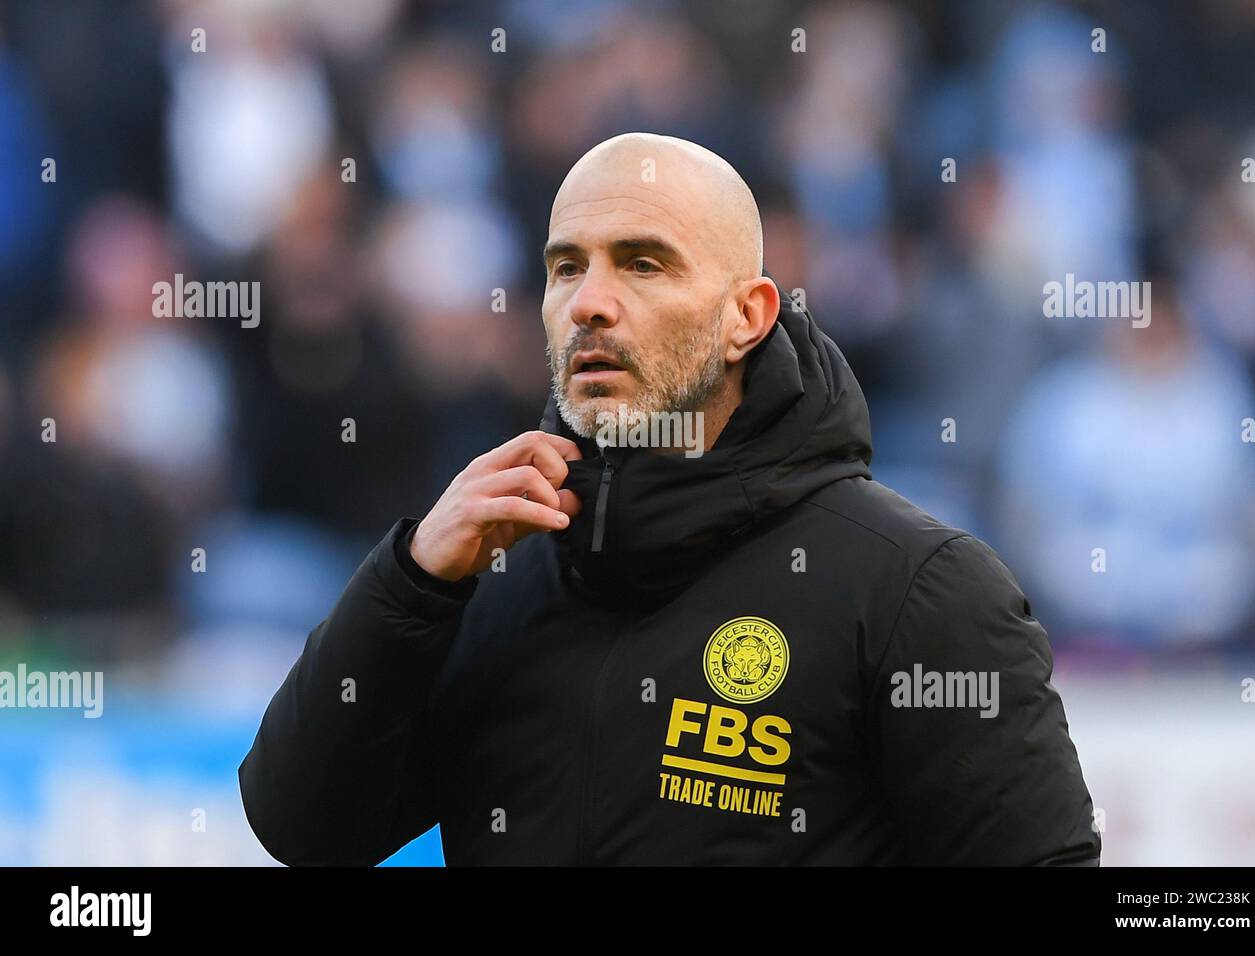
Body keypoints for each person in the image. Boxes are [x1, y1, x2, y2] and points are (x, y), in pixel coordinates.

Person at [238, 132, 1101, 865]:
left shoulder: (918, 588)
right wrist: (410, 584)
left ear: (747, 316)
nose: (590, 305)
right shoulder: (485, 569)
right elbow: (303, 832)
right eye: (565, 267)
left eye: (643, 264)